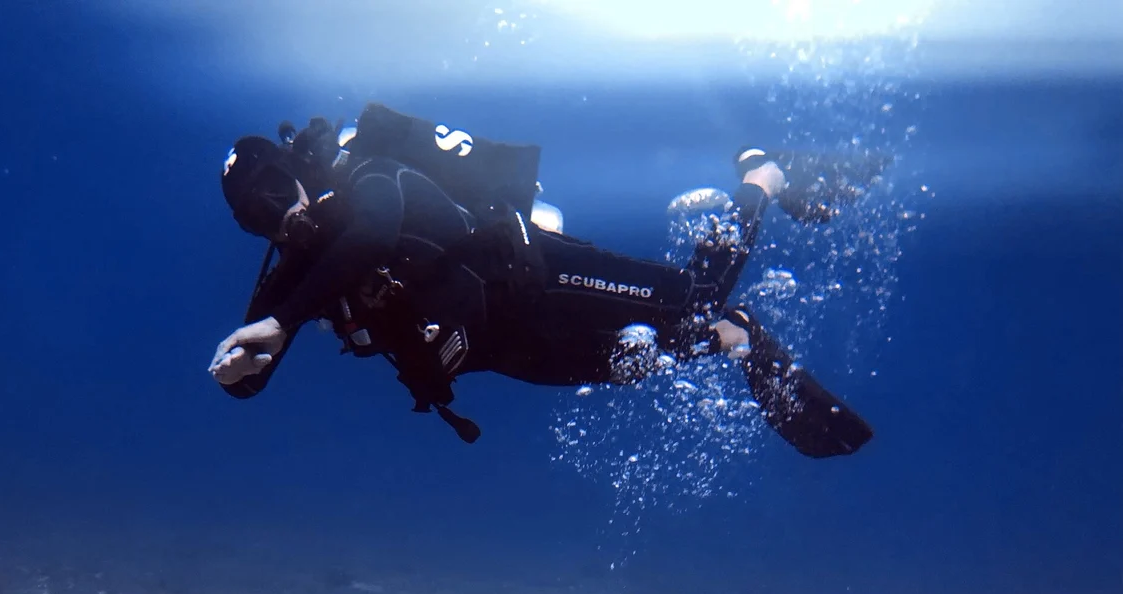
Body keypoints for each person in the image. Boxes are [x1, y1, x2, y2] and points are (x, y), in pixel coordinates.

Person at [209, 105, 880, 456]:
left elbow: (375, 236)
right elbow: (254, 366)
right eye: (253, 219)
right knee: (646, 354)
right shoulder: (301, 266)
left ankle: (765, 176)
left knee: (695, 297)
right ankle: (735, 337)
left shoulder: (366, 177)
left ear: (294, 170)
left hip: (535, 273)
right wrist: (237, 368)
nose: (277, 217)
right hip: (508, 350)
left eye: (274, 193)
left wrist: (281, 321)